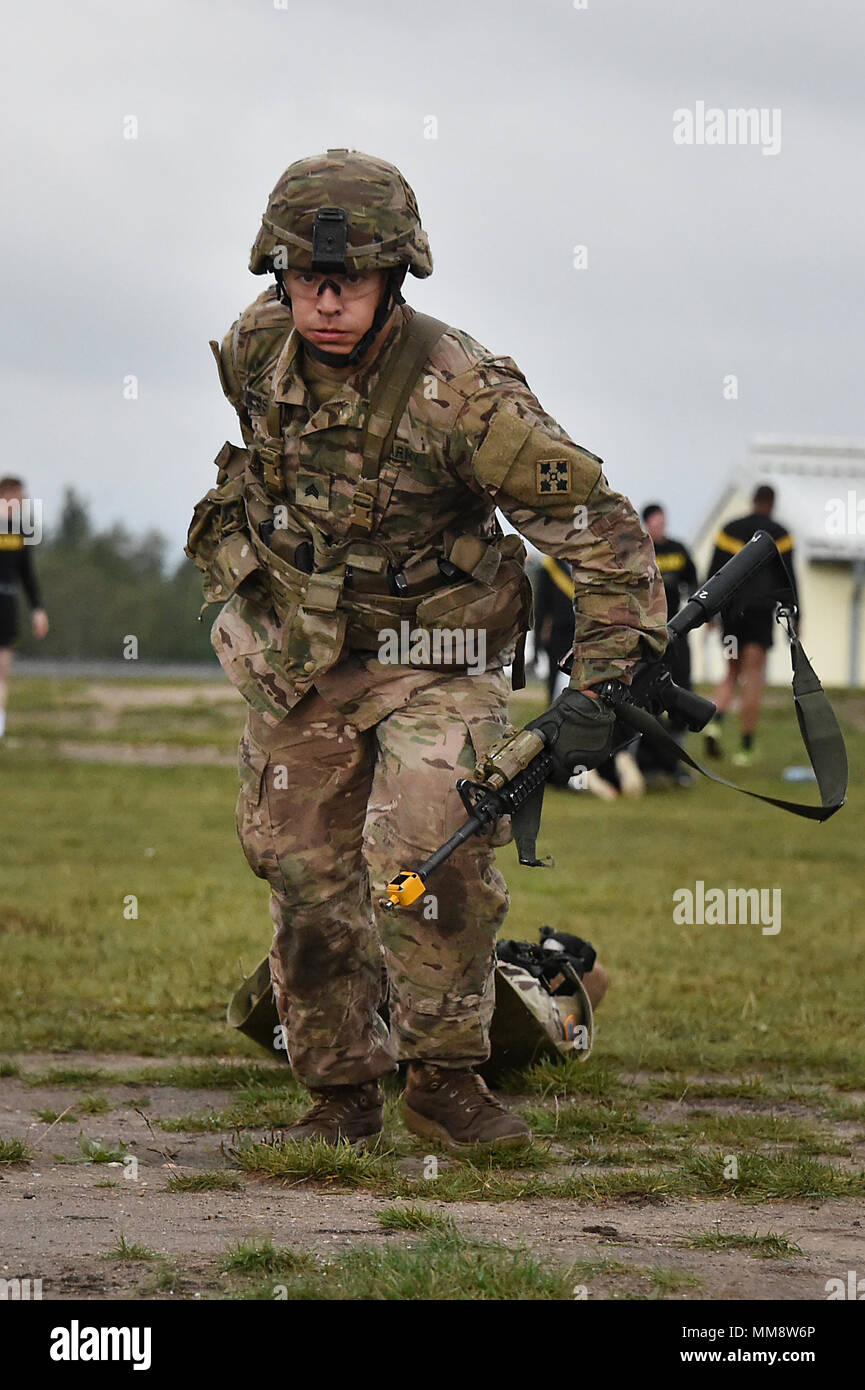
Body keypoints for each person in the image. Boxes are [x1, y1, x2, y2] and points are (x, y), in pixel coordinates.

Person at [187, 149, 667, 1151]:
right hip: (303, 656)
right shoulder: (253, 350)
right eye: (304, 274)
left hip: (436, 653)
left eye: (349, 275)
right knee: (302, 868)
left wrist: (603, 677)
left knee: (427, 842)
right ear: (275, 272)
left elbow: (600, 527)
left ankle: (445, 1078)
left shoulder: (462, 392)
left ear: (395, 275)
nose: (324, 296)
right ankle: (338, 1091)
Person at [702, 484, 798, 767]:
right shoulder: (780, 535)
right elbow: (788, 579)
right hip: (759, 612)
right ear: (772, 503)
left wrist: (707, 612)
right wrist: (796, 615)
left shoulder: (730, 529)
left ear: (753, 500)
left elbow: (714, 572)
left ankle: (715, 723)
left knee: (731, 673)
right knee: (754, 676)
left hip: (731, 613)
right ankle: (745, 748)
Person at [638, 503, 698, 786]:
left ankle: (679, 759)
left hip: (677, 635)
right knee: (648, 695)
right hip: (649, 635)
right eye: (656, 522)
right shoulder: (639, 552)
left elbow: (694, 584)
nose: (661, 526)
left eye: (664, 521)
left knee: (682, 690)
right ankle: (650, 757)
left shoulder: (679, 549)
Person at [0, 477, 49, 739]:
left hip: (7, 604)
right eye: (19, 495)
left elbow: (27, 575)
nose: (23, 501)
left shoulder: (20, 532)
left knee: (2, 668)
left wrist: (37, 609)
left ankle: (0, 726)